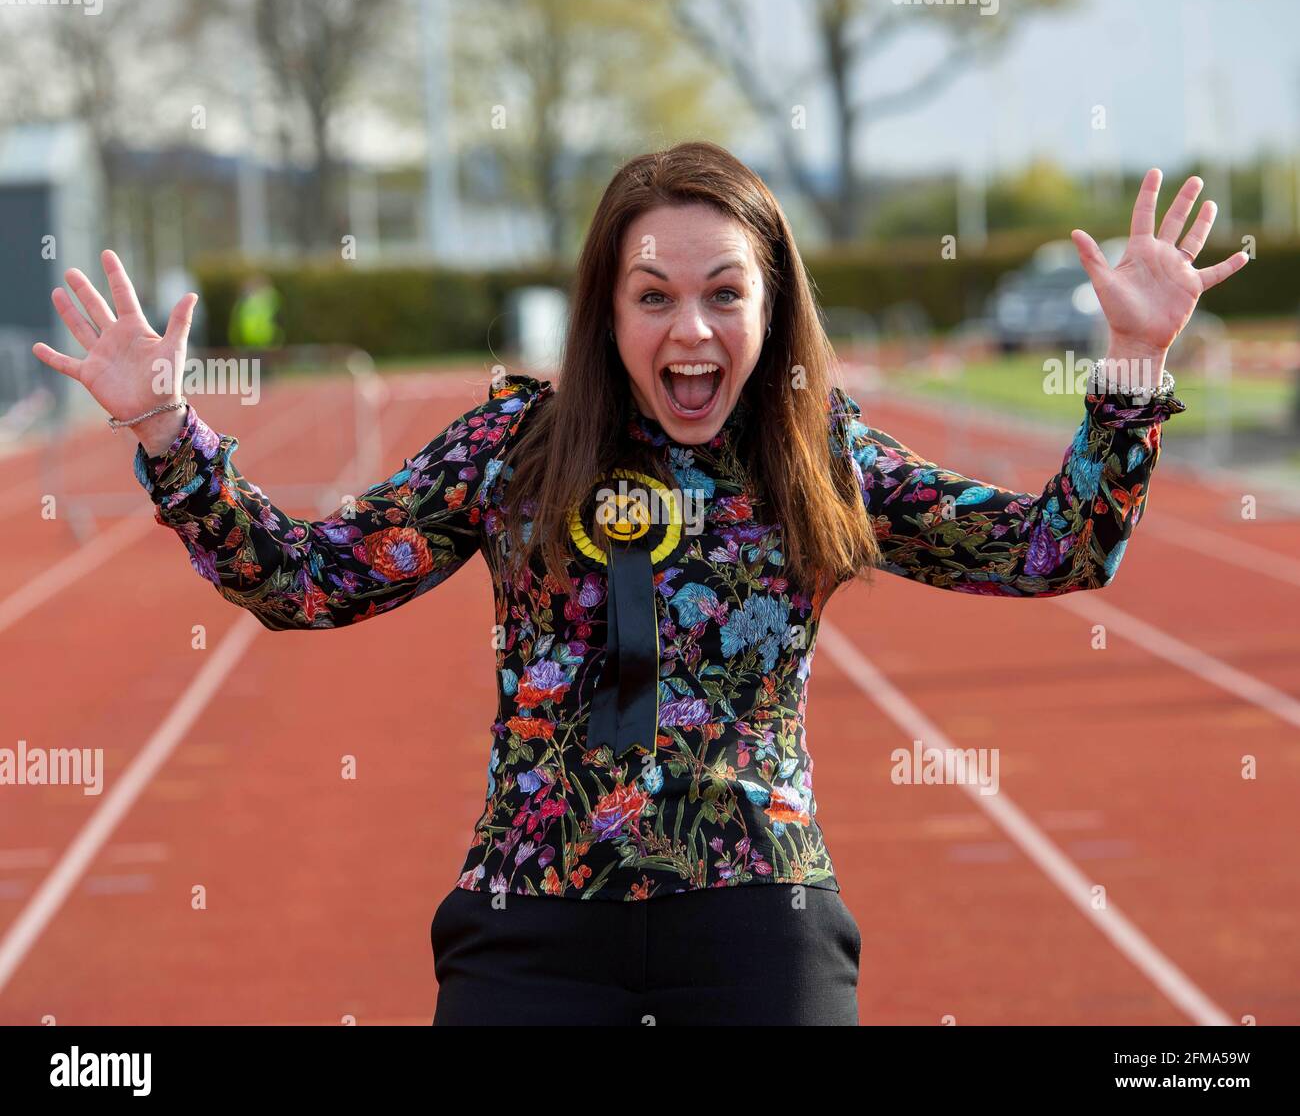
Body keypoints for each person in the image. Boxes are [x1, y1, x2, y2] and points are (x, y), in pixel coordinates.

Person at [33, 143, 1247, 1026]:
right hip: (532, 926)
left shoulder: (819, 453)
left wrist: (1132, 363)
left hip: (757, 921)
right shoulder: (508, 448)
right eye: (654, 295)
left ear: (771, 305)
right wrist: (166, 432)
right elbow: (308, 583)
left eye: (725, 293)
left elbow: (1051, 549)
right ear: (606, 310)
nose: (691, 330)